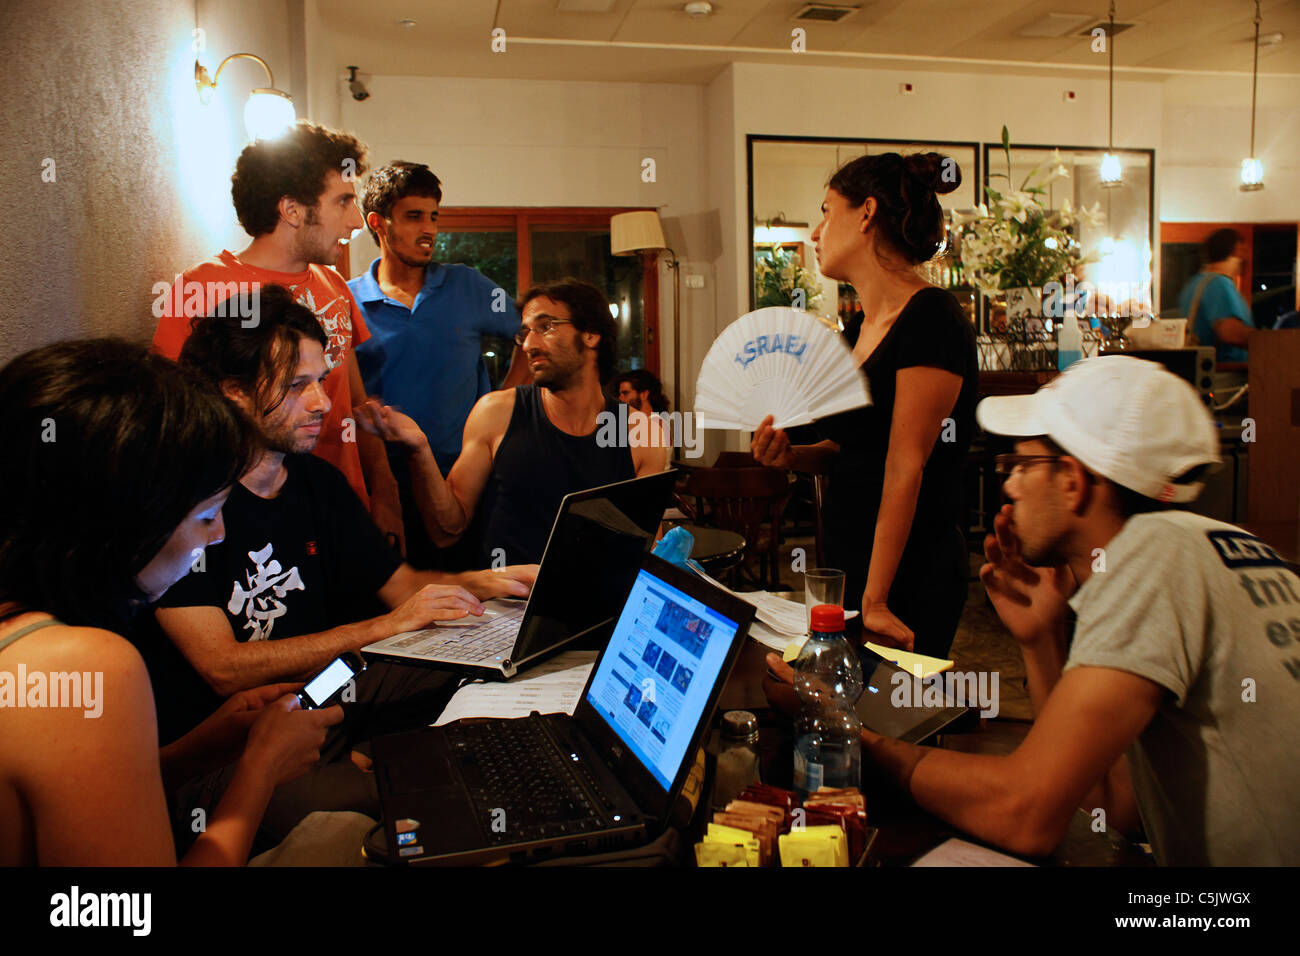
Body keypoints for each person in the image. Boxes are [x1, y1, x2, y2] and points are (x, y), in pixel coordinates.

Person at [769, 356, 1300, 865]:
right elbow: (1114, 805)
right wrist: (1041, 640)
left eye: (1023, 464)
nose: (1009, 484)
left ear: (1072, 481)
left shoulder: (1152, 556)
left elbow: (1026, 815)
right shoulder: (1214, 547)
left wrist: (846, 730)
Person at [147, 287, 537, 748]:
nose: (323, 403)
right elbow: (222, 668)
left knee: (496, 688)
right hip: (231, 744)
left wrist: (488, 583)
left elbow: (403, 588)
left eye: (321, 381)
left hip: (322, 702)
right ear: (234, 390)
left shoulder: (319, 483)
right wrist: (385, 627)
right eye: (296, 385)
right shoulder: (184, 501)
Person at [0, 339, 340, 865]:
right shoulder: (81, 664)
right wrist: (261, 769)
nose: (219, 534)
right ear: (126, 520)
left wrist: (193, 753)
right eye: (206, 515)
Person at [752, 152, 977, 658]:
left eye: (826, 212)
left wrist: (876, 599)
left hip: (905, 572)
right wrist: (792, 456)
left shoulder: (931, 318)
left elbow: (905, 465)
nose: (815, 233)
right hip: (852, 559)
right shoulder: (860, 327)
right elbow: (855, 450)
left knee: (889, 706)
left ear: (866, 213)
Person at [152, 121, 405, 553]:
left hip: (339, 512)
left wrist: (384, 493)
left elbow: (353, 403)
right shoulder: (202, 289)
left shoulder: (334, 286)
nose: (356, 220)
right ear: (292, 210)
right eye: (344, 201)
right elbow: (173, 420)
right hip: (247, 528)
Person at [356, 278, 670, 569]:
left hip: (595, 605)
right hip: (503, 603)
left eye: (545, 327)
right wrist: (419, 449)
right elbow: (447, 531)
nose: (529, 345)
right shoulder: (496, 412)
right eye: (525, 333)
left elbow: (645, 551)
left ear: (590, 334)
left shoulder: (641, 434)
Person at [349, 162, 527, 568]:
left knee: (475, 594)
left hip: (467, 479)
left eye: (433, 217)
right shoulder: (348, 300)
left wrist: (503, 400)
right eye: (414, 216)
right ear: (378, 223)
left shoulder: (468, 285)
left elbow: (528, 335)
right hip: (387, 486)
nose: (428, 229)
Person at [1178, 227, 1255, 363]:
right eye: (1244, 250)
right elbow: (1229, 332)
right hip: (1224, 372)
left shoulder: (1194, 284)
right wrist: (1268, 342)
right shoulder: (1218, 284)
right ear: (1237, 249)